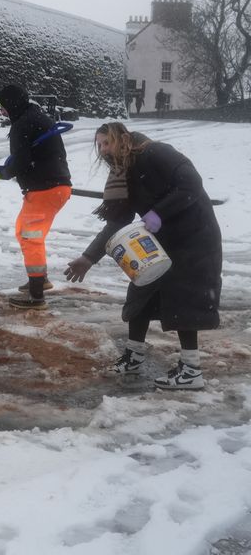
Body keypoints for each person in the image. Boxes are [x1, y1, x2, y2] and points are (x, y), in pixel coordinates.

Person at [65, 122, 221, 390]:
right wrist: (89, 258)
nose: (103, 150)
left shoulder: (155, 153)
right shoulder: (123, 171)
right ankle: (133, 356)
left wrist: (159, 212)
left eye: (107, 142)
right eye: (99, 144)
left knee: (183, 301)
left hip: (194, 236)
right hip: (159, 239)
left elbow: (191, 185)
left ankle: (191, 370)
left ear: (123, 138)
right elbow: (117, 222)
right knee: (141, 291)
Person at [0, 83, 73, 309]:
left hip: (46, 189)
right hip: (56, 186)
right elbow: (33, 154)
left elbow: (22, 162)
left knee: (29, 237)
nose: (2, 111)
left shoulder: (22, 124)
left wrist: (2, 174)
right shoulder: (36, 117)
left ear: (11, 104)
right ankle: (40, 280)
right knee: (26, 232)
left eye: (2, 106)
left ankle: (36, 297)